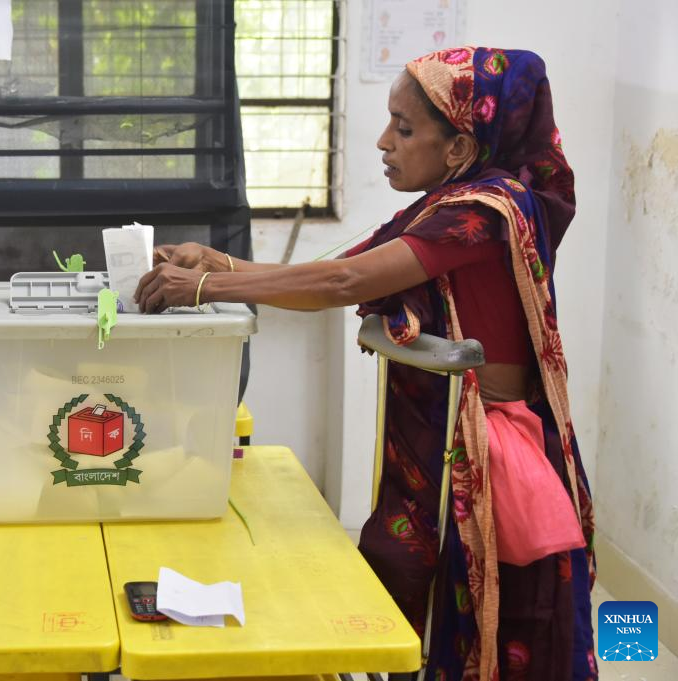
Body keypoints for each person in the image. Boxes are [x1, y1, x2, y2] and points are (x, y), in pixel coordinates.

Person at [134, 47, 597, 681]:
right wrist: (215, 264)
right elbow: (325, 277)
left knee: (475, 614)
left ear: (460, 147)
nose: (384, 143)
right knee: (400, 577)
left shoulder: (486, 211)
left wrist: (208, 288)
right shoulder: (442, 206)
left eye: (404, 130)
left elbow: (344, 280)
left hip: (484, 450)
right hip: (438, 443)